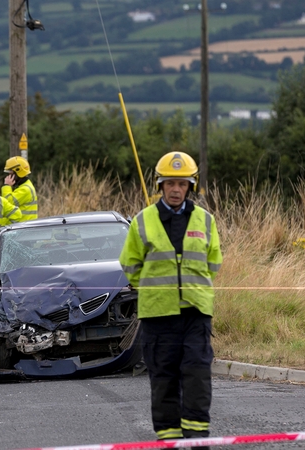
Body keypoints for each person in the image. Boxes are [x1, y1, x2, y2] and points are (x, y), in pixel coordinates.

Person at [118, 152, 222, 449]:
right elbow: (130, 265)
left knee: (197, 374)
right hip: (158, 315)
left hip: (195, 312)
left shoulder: (205, 220)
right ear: (160, 185)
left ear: (191, 186)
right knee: (163, 378)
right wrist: (155, 289)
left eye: (182, 183)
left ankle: (196, 439)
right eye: (170, 183)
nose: (176, 189)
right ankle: (170, 441)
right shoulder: (142, 221)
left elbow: (213, 262)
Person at [2, 156, 38, 221]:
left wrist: (7, 185)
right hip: (22, 227)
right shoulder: (24, 186)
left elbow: (7, 204)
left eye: (11, 172)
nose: (9, 176)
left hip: (22, 228)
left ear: (18, 171)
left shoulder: (25, 189)